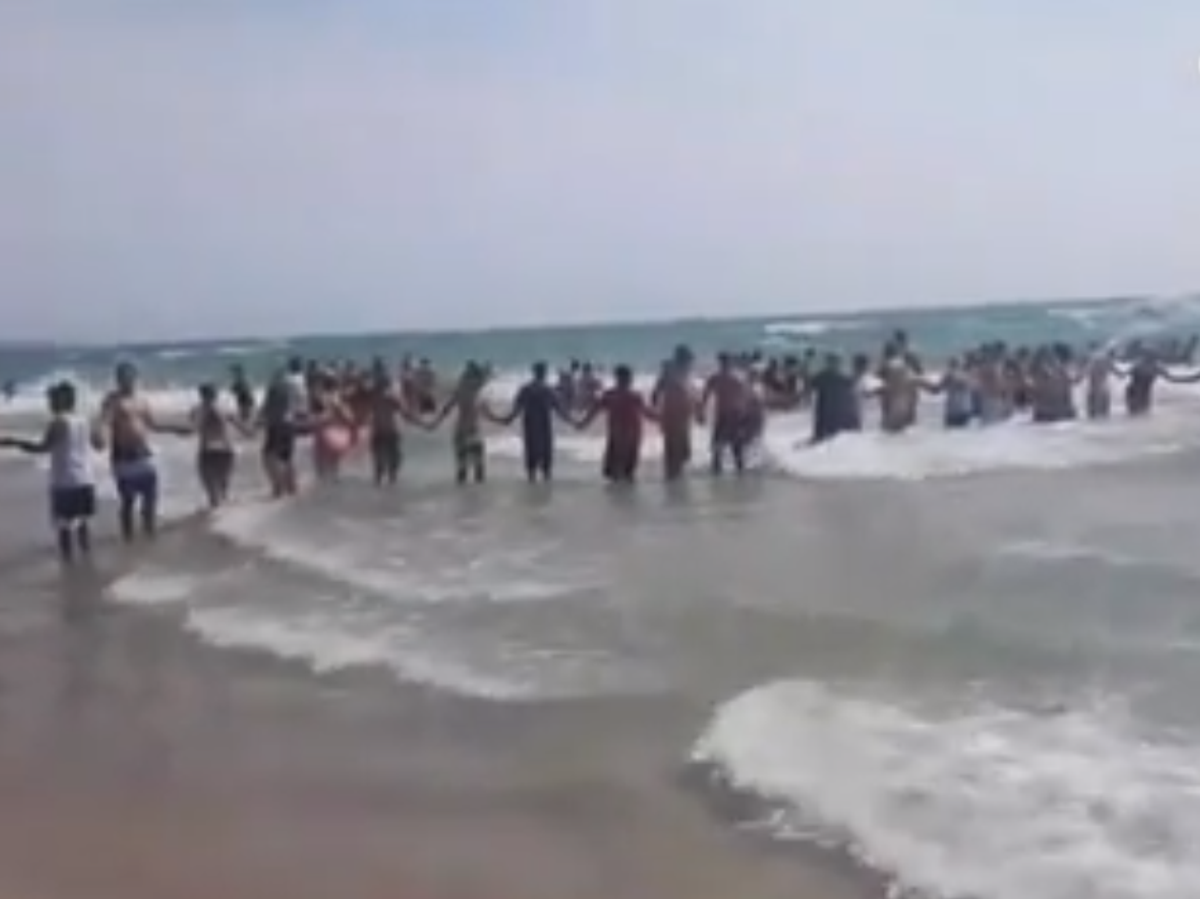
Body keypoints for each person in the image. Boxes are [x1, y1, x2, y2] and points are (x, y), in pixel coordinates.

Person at [0, 381, 104, 563]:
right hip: (86, 478)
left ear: (60, 401)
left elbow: (43, 448)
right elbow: (99, 444)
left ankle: (69, 565)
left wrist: (15, 442)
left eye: (52, 399)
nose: (49, 404)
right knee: (83, 524)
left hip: (65, 481)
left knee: (64, 527)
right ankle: (87, 561)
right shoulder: (84, 420)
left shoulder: (58, 422)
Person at [98, 361, 183, 542]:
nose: (126, 381)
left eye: (130, 377)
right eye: (122, 377)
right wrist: (102, 439)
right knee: (128, 502)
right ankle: (128, 539)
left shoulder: (142, 400)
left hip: (144, 455)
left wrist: (176, 429)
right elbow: (105, 422)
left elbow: (154, 425)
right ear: (117, 380)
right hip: (123, 458)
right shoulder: (112, 401)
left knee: (150, 499)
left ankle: (150, 534)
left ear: (135, 378)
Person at [487, 361, 570, 482]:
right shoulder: (548, 390)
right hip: (544, 428)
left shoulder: (525, 390)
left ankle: (532, 489)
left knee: (531, 465)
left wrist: (496, 418)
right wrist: (576, 422)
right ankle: (546, 492)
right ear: (544, 373)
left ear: (534, 372)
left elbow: (514, 413)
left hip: (530, 427)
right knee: (546, 467)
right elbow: (561, 412)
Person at [575, 364, 656, 484]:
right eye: (629, 378)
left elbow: (594, 411)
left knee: (616, 470)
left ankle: (618, 497)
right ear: (627, 379)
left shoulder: (610, 395)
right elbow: (647, 413)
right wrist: (664, 419)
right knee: (628, 470)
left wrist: (582, 424)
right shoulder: (634, 396)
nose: (630, 380)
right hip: (631, 436)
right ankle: (626, 497)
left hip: (618, 435)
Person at [187, 383, 250, 508]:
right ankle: (223, 514)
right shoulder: (224, 408)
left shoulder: (198, 409)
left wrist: (183, 431)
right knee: (223, 486)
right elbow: (239, 425)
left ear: (201, 395)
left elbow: (195, 426)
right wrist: (249, 432)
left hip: (209, 450)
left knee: (210, 485)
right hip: (227, 449)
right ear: (216, 394)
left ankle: (215, 510)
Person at [428, 362, 489, 484]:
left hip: (468, 431)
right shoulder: (468, 391)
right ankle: (469, 498)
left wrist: (435, 423)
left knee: (472, 468)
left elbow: (447, 409)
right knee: (471, 468)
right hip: (465, 432)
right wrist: (435, 423)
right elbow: (447, 408)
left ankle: (469, 498)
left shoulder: (471, 392)